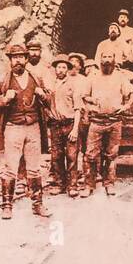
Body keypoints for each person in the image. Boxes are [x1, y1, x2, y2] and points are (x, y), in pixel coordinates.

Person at [0, 43, 51, 220]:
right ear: (10, 60)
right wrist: (4, 99)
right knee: (10, 168)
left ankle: (38, 205)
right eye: (14, 57)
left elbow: (49, 102)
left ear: (26, 59)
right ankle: (7, 206)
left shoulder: (36, 78)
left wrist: (43, 95)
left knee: (34, 168)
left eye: (21, 57)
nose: (18, 61)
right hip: (12, 127)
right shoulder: (3, 80)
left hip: (33, 127)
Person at [81, 49, 133, 197]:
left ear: (114, 59)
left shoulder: (120, 77)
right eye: (104, 56)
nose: (106, 59)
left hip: (114, 121)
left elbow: (132, 94)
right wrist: (91, 105)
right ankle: (88, 185)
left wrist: (125, 107)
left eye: (109, 56)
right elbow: (84, 96)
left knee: (111, 155)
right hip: (96, 122)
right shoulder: (93, 77)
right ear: (100, 59)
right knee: (91, 155)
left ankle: (109, 183)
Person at [47, 54, 85, 197]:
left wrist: (75, 129)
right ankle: (59, 184)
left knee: (71, 156)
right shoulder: (51, 85)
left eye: (64, 67)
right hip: (55, 125)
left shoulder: (73, 85)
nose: (61, 70)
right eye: (59, 67)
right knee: (56, 156)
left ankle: (72, 186)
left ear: (68, 69)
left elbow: (78, 109)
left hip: (69, 124)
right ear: (55, 69)